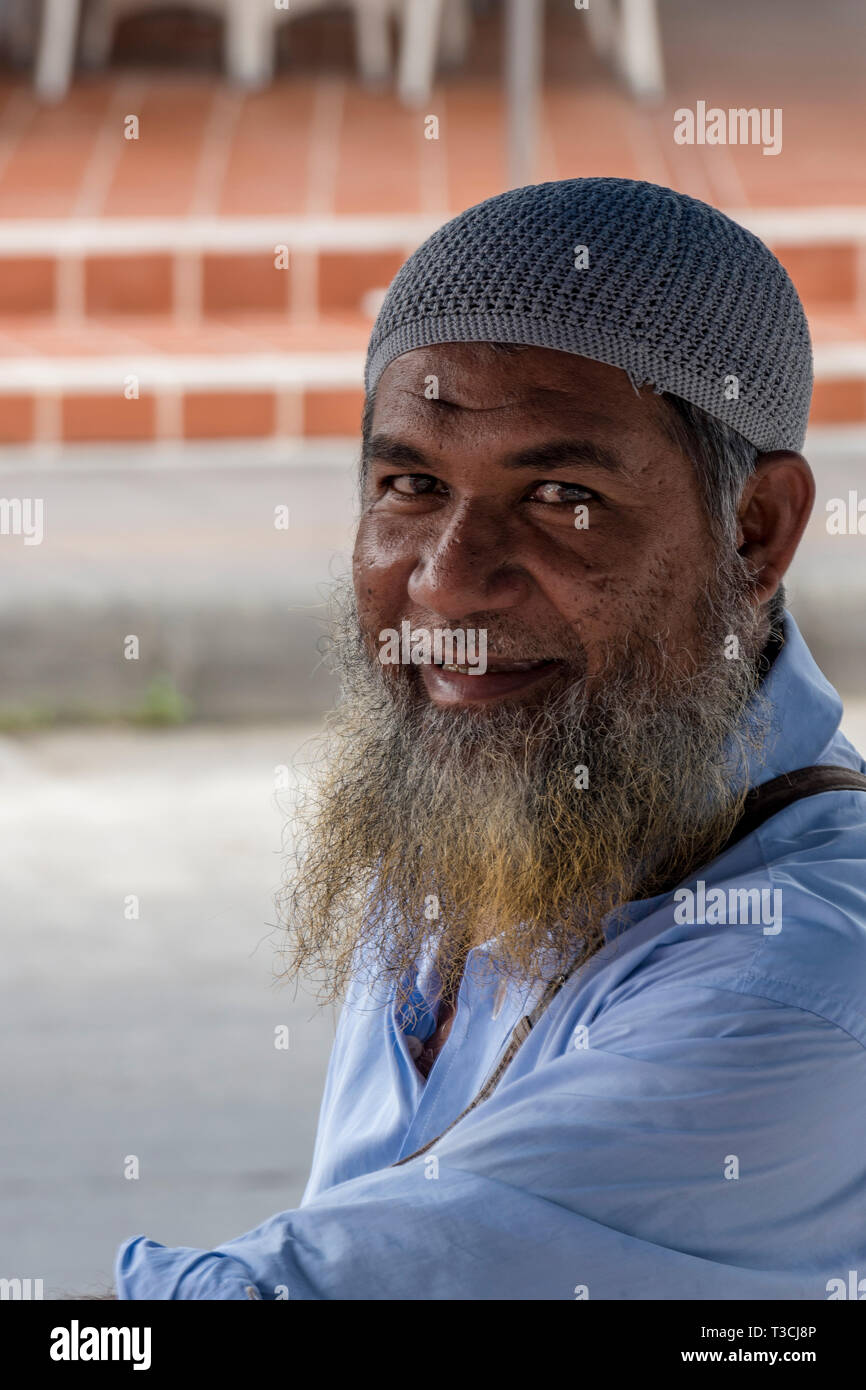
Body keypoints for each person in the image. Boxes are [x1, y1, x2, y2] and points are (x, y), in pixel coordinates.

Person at [114, 178, 866, 1300]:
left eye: (561, 495)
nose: (446, 578)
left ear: (753, 533)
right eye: (411, 484)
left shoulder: (800, 982)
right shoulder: (521, 782)